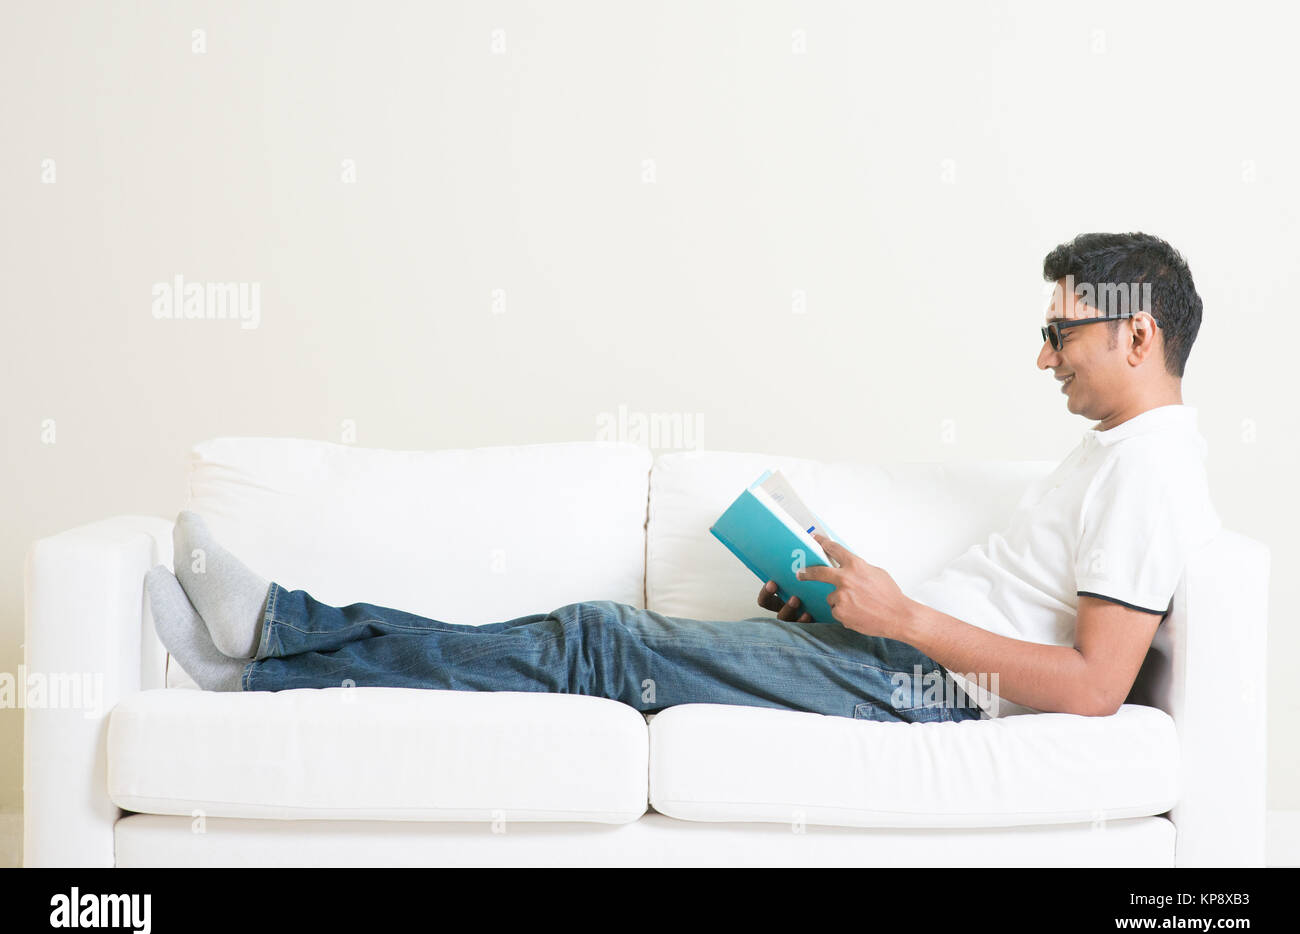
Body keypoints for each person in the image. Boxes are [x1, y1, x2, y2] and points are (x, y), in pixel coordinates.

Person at [145, 231, 1220, 722]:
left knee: (601, 639)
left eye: (1059, 331)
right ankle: (268, 646)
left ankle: (275, 642)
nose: (1041, 355)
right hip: (901, 656)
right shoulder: (1113, 453)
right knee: (598, 635)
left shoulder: (1152, 472)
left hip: (924, 691)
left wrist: (904, 622)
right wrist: (847, 600)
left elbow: (1092, 689)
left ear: (1135, 335)